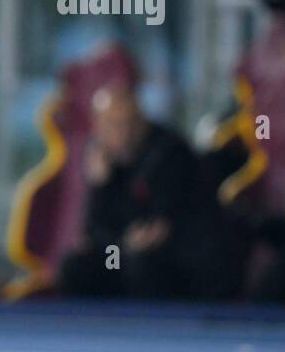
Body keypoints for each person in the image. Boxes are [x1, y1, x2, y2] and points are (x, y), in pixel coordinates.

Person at [58, 84, 244, 300]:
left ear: (142, 121)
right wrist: (102, 187)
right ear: (98, 127)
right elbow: (96, 230)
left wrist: (122, 237)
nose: (123, 134)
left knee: (139, 261)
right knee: (78, 266)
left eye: (129, 124)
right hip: (121, 253)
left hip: (181, 261)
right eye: (113, 125)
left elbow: (155, 228)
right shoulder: (103, 163)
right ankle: (97, 329)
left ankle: (156, 329)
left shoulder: (168, 152)